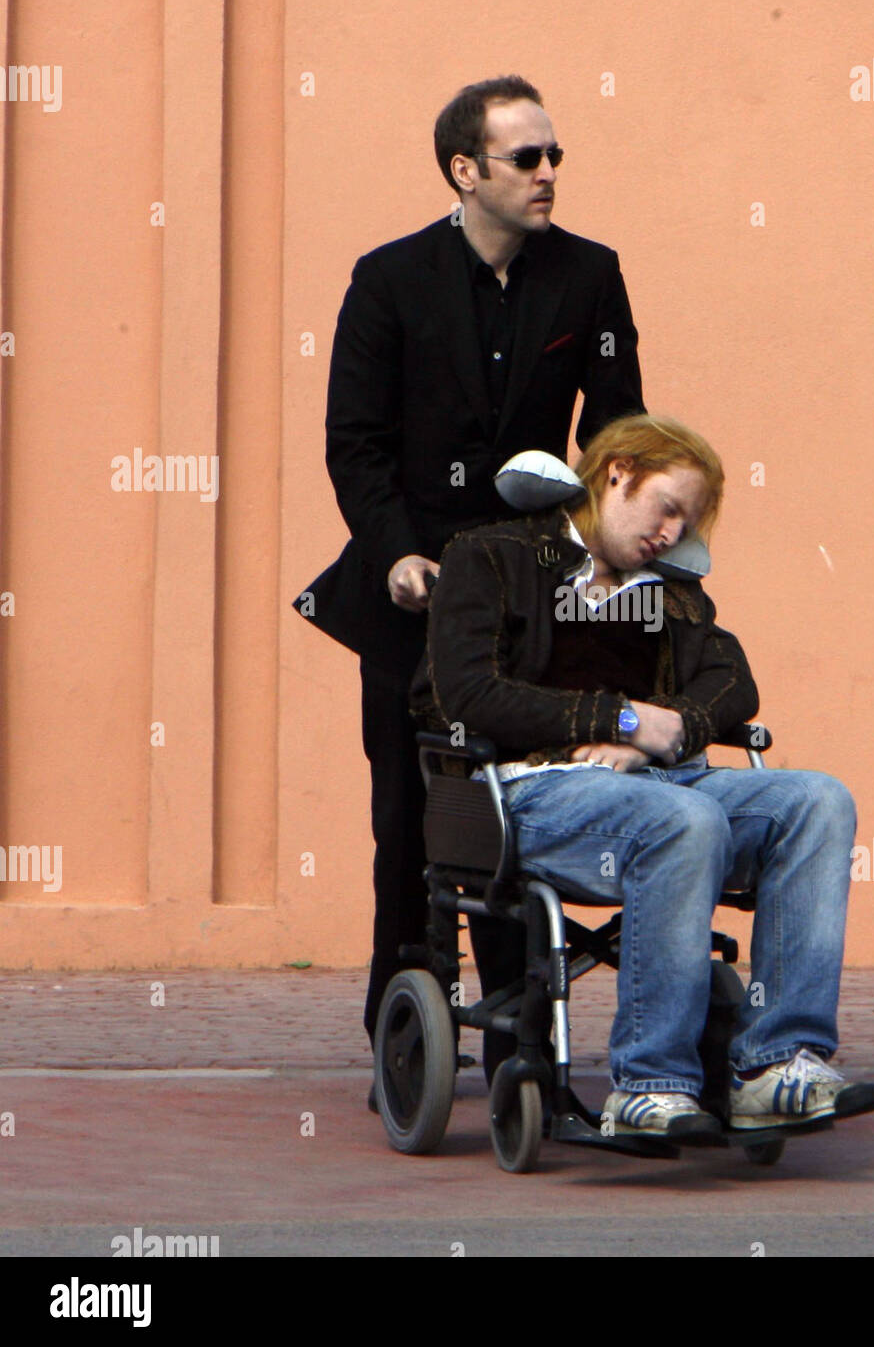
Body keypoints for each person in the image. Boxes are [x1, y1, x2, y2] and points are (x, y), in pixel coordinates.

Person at [293, 76, 646, 1099]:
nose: (549, 173)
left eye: (554, 155)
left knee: (522, 814)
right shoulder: (389, 280)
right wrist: (397, 551)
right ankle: (407, 1045)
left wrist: (609, 550)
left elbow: (615, 431)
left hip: (531, 595)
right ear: (465, 170)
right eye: (526, 157)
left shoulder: (589, 276)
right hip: (411, 595)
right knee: (413, 822)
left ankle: (521, 1048)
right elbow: (355, 442)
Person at [410, 415, 874, 1136]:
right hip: (530, 792)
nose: (672, 532)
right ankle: (649, 1086)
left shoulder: (667, 590)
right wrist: (622, 719)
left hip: (657, 786)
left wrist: (660, 736)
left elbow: (733, 683)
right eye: (667, 508)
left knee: (819, 801)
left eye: (686, 522)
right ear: (618, 472)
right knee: (684, 820)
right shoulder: (493, 556)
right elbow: (467, 695)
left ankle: (777, 1064)